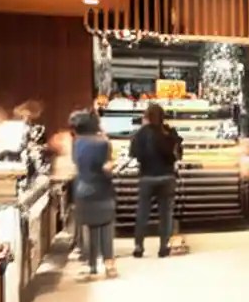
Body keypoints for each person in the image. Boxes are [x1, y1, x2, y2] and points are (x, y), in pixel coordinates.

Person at [129, 103, 182, 258]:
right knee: (165, 214)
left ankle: (139, 246)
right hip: (167, 176)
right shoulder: (169, 132)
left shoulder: (140, 134)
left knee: (143, 213)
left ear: (147, 116)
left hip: (147, 177)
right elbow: (178, 153)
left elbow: (133, 154)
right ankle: (163, 246)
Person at [71, 110, 117, 278]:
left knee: (90, 229)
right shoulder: (103, 143)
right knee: (106, 227)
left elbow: (77, 163)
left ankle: (92, 266)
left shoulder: (76, 143)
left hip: (83, 189)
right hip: (102, 188)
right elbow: (107, 166)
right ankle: (109, 263)